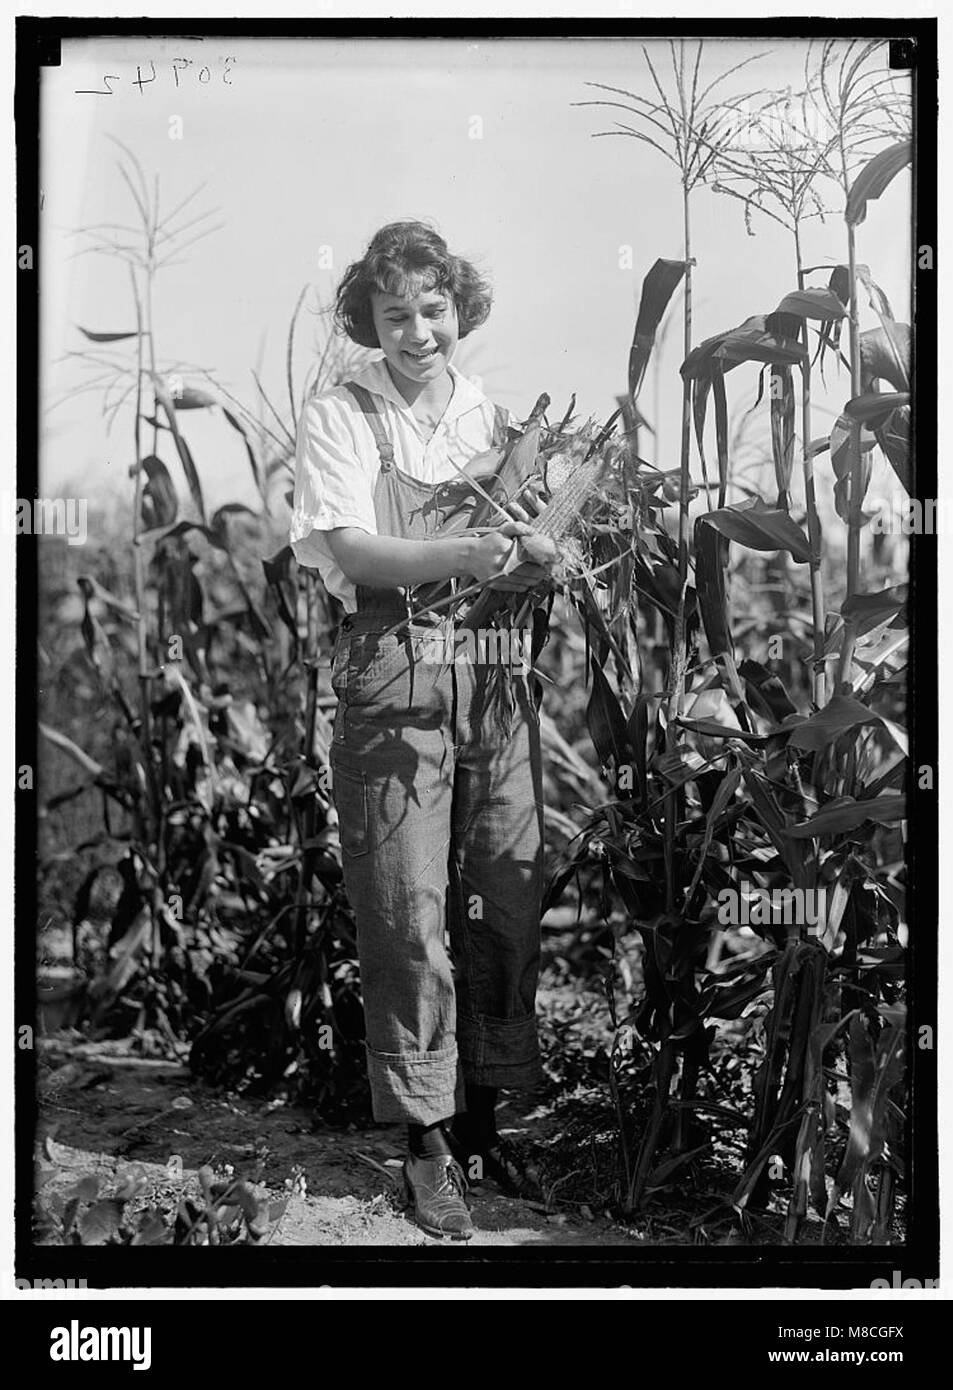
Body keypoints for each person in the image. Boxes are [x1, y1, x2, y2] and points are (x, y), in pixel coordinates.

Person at [289, 221, 556, 1240]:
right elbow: (356, 553)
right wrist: (483, 549)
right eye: (394, 313)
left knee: (503, 888)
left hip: (493, 665)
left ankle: (486, 1112)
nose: (416, 330)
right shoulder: (341, 414)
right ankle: (425, 1139)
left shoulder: (488, 413)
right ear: (369, 317)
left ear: (458, 308)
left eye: (432, 308)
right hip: (394, 662)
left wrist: (537, 553)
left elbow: (515, 541)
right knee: (405, 907)